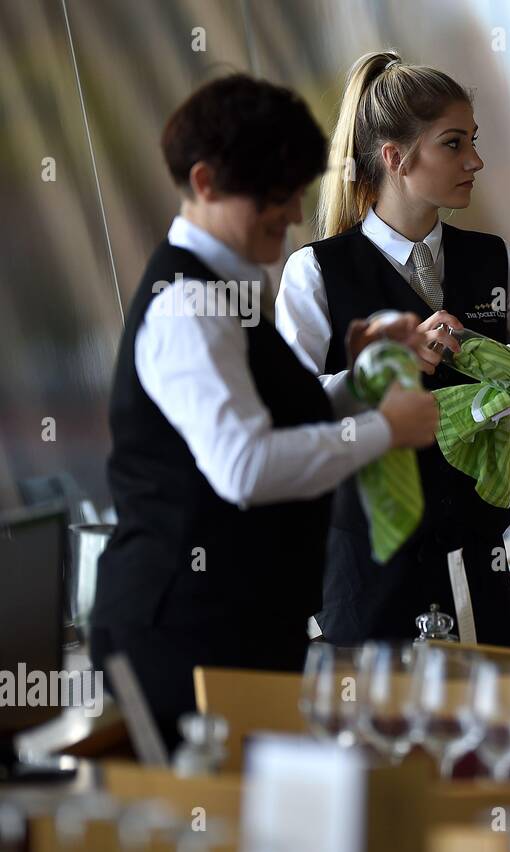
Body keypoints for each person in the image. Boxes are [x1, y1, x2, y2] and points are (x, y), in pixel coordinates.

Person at [91, 74, 441, 748]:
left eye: (295, 192)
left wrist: (361, 381)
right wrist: (383, 429)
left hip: (241, 618)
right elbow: (246, 467)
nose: (289, 213)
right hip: (182, 629)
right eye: (273, 197)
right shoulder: (188, 304)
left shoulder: (232, 287)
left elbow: (273, 416)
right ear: (205, 182)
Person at [277, 51, 510, 648]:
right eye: (453, 143)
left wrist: (505, 367)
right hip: (367, 584)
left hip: (480, 572)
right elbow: (286, 424)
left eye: (473, 140)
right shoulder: (315, 273)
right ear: (396, 158)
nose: (476, 160)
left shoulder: (496, 263)